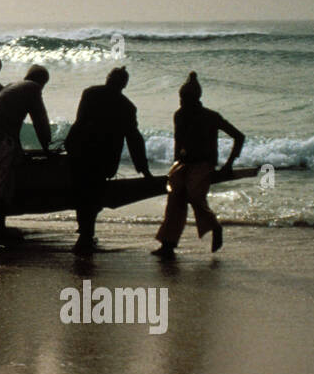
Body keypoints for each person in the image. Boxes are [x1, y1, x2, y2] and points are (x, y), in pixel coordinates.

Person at [154, 72, 244, 256]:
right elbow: (178, 144)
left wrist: (228, 164)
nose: (181, 102)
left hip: (204, 164)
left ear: (195, 99)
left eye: (185, 99)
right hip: (183, 163)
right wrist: (174, 167)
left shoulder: (211, 116)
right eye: (181, 98)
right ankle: (168, 244)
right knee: (174, 198)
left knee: (195, 196)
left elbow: (239, 136)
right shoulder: (179, 115)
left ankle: (215, 227)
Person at [64, 66, 152, 252]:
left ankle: (85, 233)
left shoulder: (90, 94)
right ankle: (86, 235)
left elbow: (79, 122)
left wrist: (69, 146)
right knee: (93, 194)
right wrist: (144, 169)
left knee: (82, 193)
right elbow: (134, 138)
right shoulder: (127, 107)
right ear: (124, 84)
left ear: (108, 78)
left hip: (82, 152)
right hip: (104, 158)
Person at [0, 65, 51, 230]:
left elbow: (8, 118)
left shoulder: (12, 86)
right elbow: (40, 121)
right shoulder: (33, 89)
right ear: (42, 82)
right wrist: (47, 149)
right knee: (0, 182)